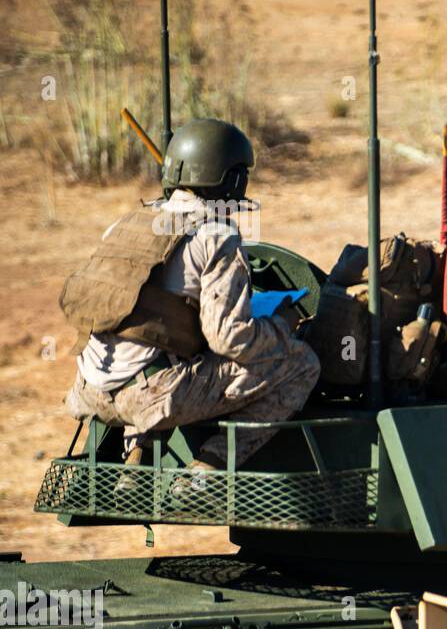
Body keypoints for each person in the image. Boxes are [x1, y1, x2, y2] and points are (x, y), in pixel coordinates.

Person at [60, 118, 320, 478]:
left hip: (90, 391)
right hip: (150, 397)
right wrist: (279, 329)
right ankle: (206, 472)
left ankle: (138, 454)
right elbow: (230, 339)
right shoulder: (216, 235)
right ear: (232, 180)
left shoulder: (124, 225)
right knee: (302, 363)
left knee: (164, 344)